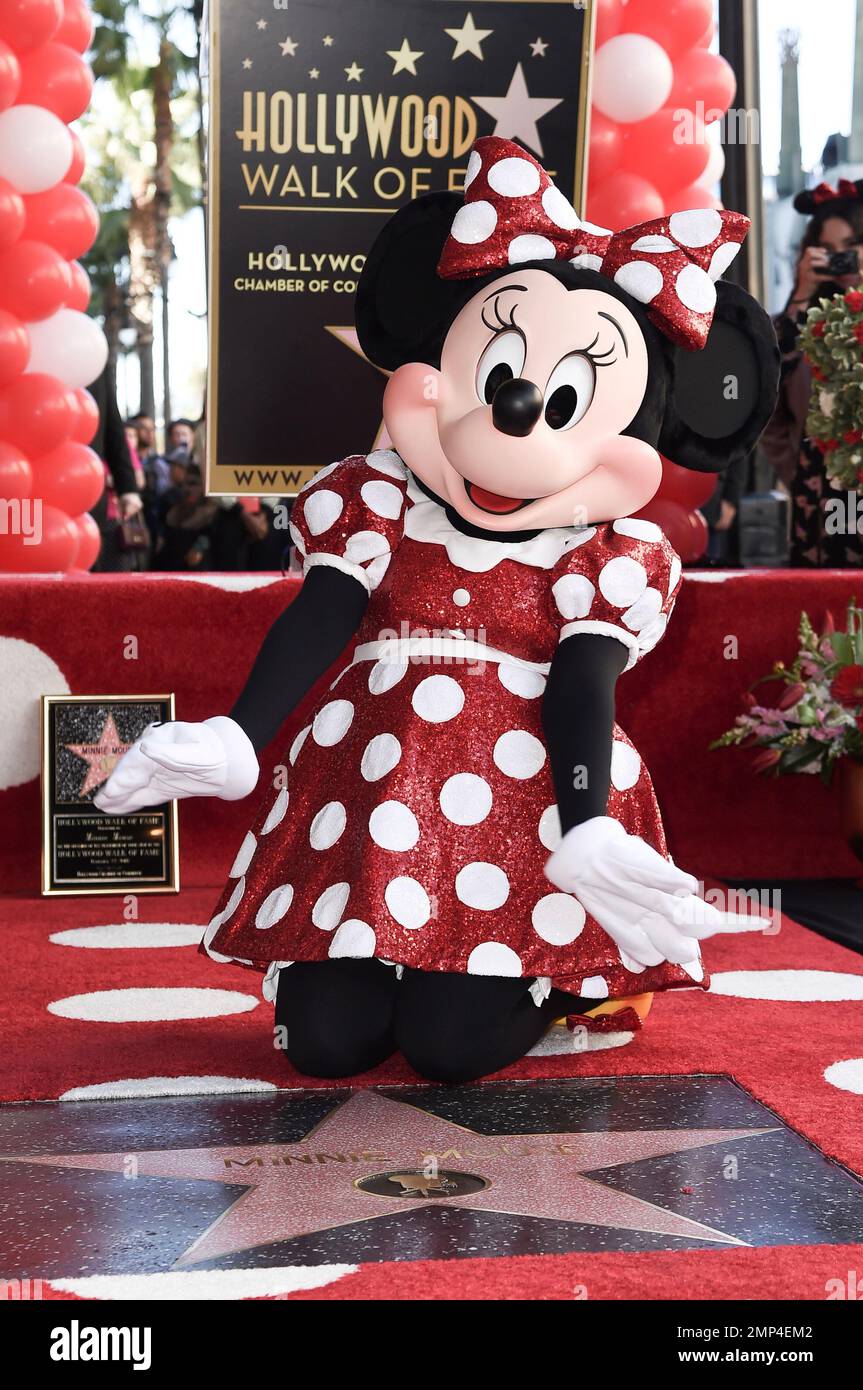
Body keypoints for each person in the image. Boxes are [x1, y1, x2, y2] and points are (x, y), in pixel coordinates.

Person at [96, 138, 779, 1084]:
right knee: (325, 1050)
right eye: (498, 381)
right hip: (372, 785)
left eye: (567, 401)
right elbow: (323, 613)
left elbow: (584, 680)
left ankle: (562, 983)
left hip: (527, 805)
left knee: (448, 1050)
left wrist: (584, 825)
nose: (514, 421)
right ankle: (382, 959)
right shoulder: (378, 501)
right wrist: (239, 736)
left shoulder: (603, 553)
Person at [761, 179, 863, 566]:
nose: (843, 260)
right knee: (827, 608)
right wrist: (803, 291)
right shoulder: (803, 323)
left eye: (852, 246)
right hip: (820, 495)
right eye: (830, 251)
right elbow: (771, 396)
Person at [88, 367, 144, 573]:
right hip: (24, 495)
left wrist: (127, 487)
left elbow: (113, 429)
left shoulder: (91, 356)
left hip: (86, 493)